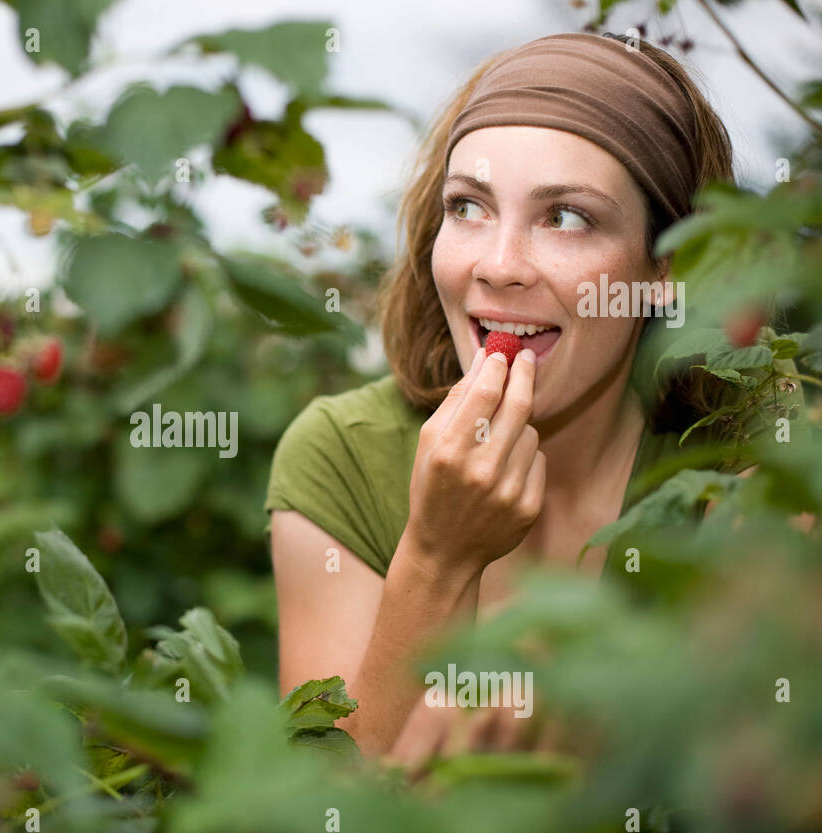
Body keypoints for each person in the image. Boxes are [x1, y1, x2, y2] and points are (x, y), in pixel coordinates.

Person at [265, 32, 739, 766]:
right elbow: (318, 821)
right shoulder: (341, 457)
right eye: (469, 207)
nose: (499, 266)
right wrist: (436, 557)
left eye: (567, 217)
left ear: (665, 268)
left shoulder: (743, 480)